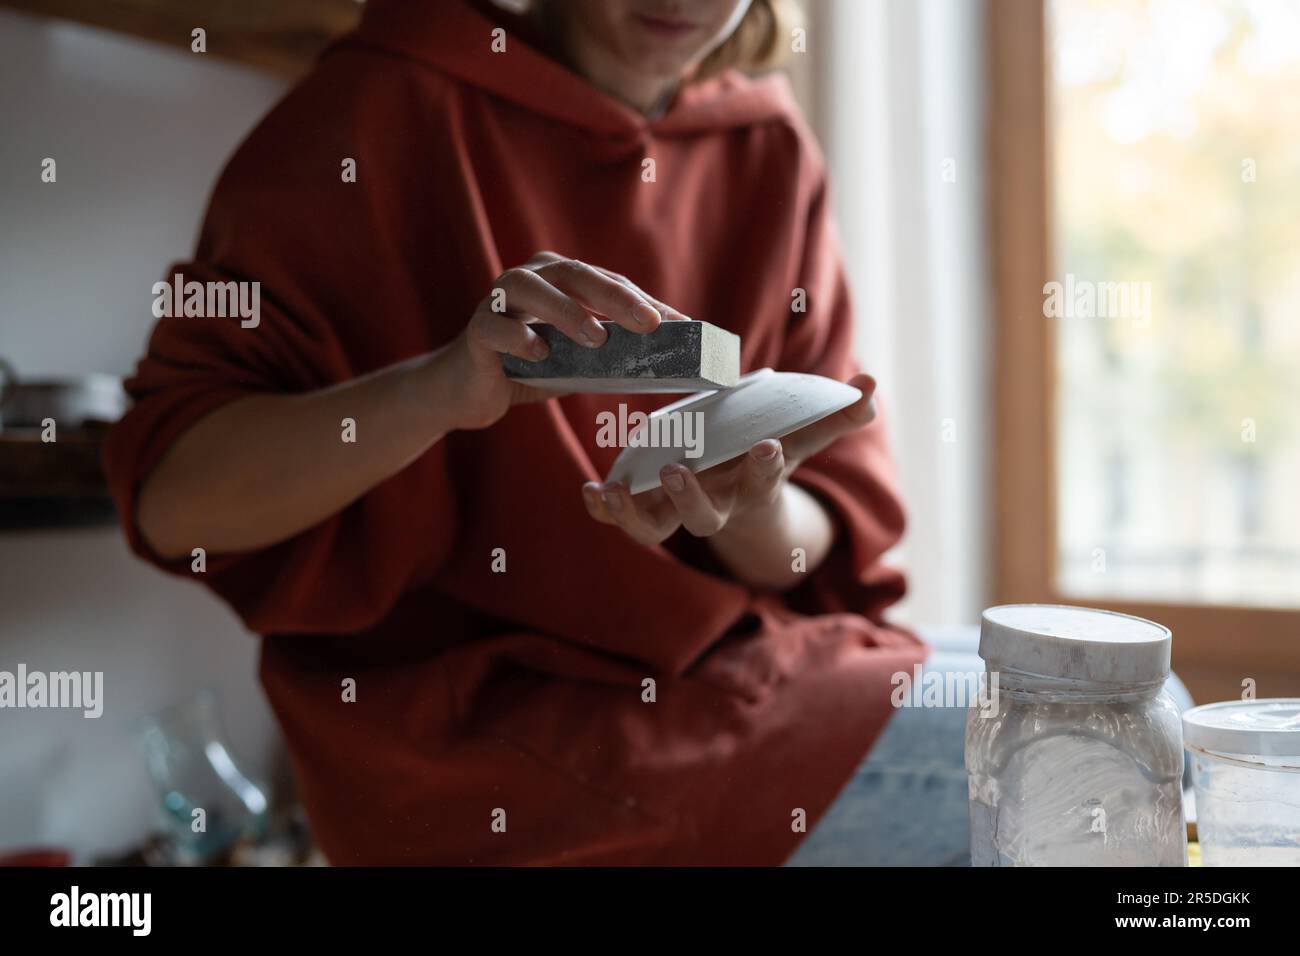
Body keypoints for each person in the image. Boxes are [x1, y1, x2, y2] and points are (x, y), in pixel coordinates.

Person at [105, 0, 930, 865]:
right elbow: (174, 501)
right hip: (470, 743)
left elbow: (820, 540)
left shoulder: (767, 147)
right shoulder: (381, 106)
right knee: (1045, 751)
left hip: (739, 671)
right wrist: (439, 391)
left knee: (1055, 701)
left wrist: (746, 504)